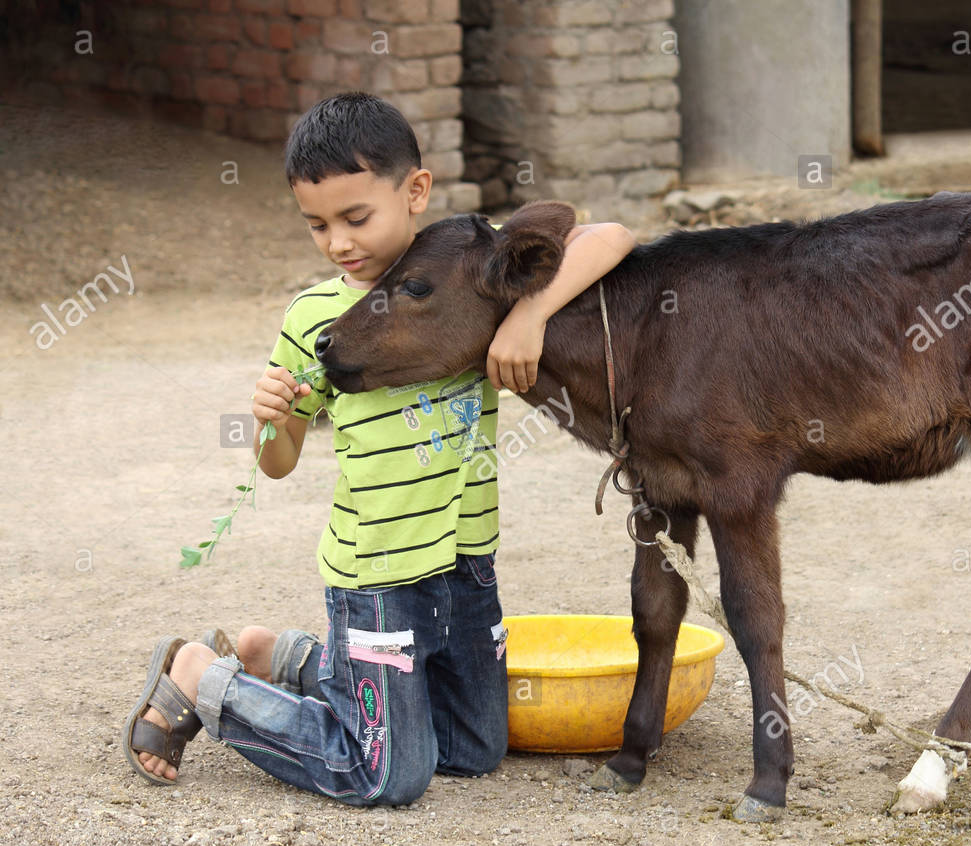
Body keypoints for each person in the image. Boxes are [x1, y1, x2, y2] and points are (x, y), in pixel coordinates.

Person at [121, 91, 635, 805]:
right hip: (380, 576)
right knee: (389, 774)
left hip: (466, 566)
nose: (339, 242)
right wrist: (272, 417)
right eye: (318, 226)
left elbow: (609, 233)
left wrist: (531, 314)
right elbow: (278, 462)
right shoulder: (316, 317)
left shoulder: (467, 271)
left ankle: (291, 659)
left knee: (473, 751)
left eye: (356, 217)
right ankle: (202, 676)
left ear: (415, 190)